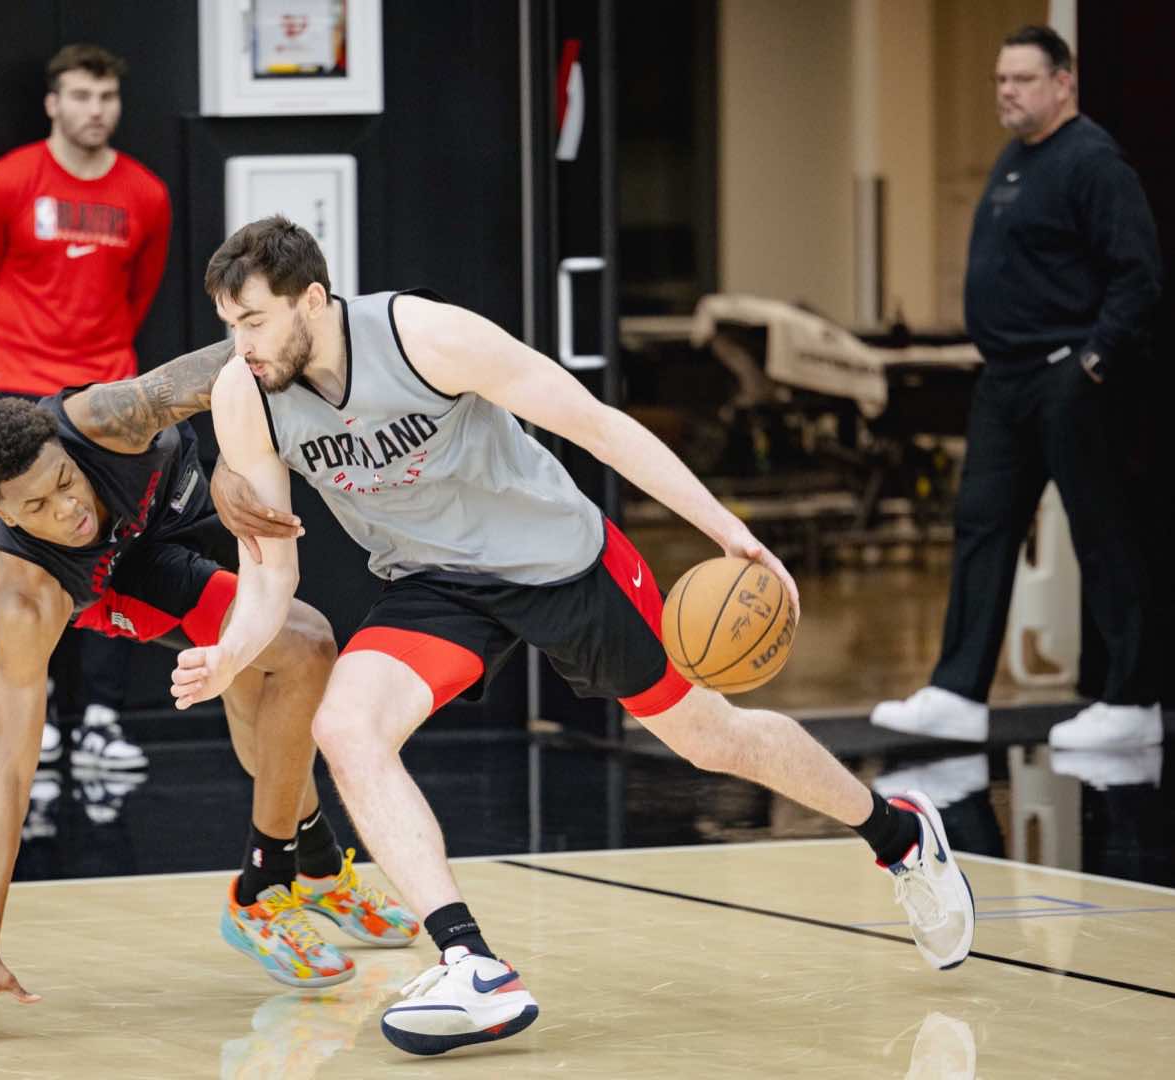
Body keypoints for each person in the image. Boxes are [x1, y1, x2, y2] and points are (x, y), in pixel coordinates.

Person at [172, 217, 976, 1057]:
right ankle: (470, 964)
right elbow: (271, 571)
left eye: (254, 321)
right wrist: (232, 651)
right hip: (433, 582)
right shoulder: (245, 395)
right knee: (346, 727)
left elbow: (598, 425)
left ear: (312, 299)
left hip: (558, 562)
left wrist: (727, 531)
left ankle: (899, 834)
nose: (241, 344)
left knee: (711, 738)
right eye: (230, 324)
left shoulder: (425, 337)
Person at [0, 340, 419, 1046]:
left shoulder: (108, 419)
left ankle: (317, 868)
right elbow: (7, 781)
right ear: (5, 516)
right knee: (307, 645)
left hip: (191, 506)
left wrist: (346, 358)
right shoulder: (24, 597)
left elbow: (241, 359)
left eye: (64, 481)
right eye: (37, 505)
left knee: (267, 716)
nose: (69, 508)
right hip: (129, 576)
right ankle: (262, 888)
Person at [871, 25, 1163, 751]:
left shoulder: (1093, 162)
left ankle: (1132, 702)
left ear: (1064, 83)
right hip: (1004, 381)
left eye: (1023, 79)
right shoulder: (1015, 159)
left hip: (1067, 376)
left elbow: (1138, 275)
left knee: (1102, 533)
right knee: (981, 526)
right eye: (1000, 80)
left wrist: (1092, 362)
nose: (1006, 92)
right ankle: (957, 693)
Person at [0, 42, 172, 771]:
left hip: (103, 391)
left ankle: (102, 718)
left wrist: (101, 369)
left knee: (115, 543)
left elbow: (140, 293)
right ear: (52, 102)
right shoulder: (3, 183)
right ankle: (34, 714)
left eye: (106, 97)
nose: (95, 110)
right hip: (16, 382)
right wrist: (0, 373)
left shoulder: (145, 194)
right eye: (80, 95)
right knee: (24, 556)